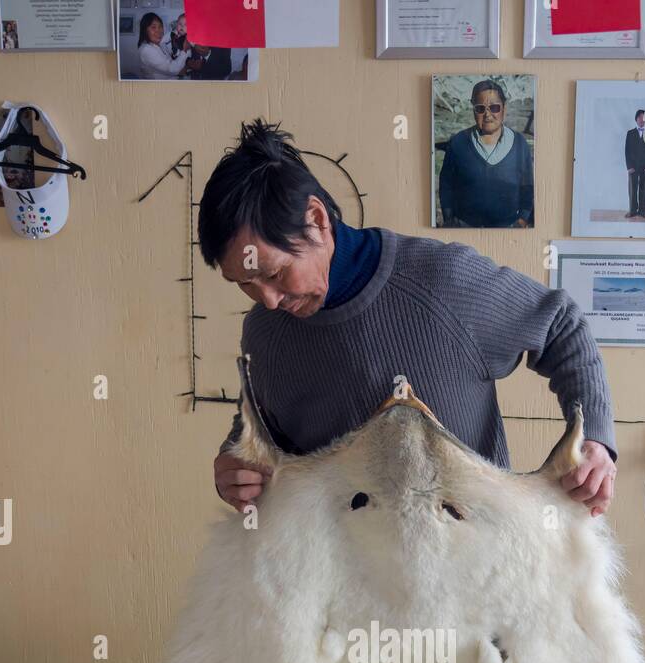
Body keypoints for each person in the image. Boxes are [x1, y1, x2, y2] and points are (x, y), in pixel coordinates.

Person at [200, 120, 617, 518]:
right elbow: (261, 428)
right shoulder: (264, 332)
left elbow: (563, 325)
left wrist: (594, 439)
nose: (268, 300)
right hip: (343, 574)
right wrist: (235, 466)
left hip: (469, 564)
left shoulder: (444, 282)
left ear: (317, 219)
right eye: (246, 283)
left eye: (273, 273)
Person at [438, 80, 534, 229]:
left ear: (504, 109)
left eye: (494, 108)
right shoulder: (458, 142)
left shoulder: (519, 143)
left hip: (508, 227)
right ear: (473, 111)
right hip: (464, 227)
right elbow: (446, 184)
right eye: (480, 108)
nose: (488, 114)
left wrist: (523, 218)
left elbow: (527, 186)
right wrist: (449, 218)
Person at [136, 13, 191, 80]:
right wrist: (185, 50)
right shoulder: (146, 50)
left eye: (160, 27)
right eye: (153, 27)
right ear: (145, 30)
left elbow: (172, 61)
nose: (158, 31)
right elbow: (172, 69)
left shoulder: (161, 44)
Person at [625, 108, 645, 220]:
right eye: (640, 117)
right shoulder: (630, 133)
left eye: (644, 118)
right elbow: (627, 151)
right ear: (636, 119)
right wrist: (629, 166)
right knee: (632, 189)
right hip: (633, 166)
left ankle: (642, 210)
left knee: (644, 188)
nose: (642, 120)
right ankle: (632, 210)